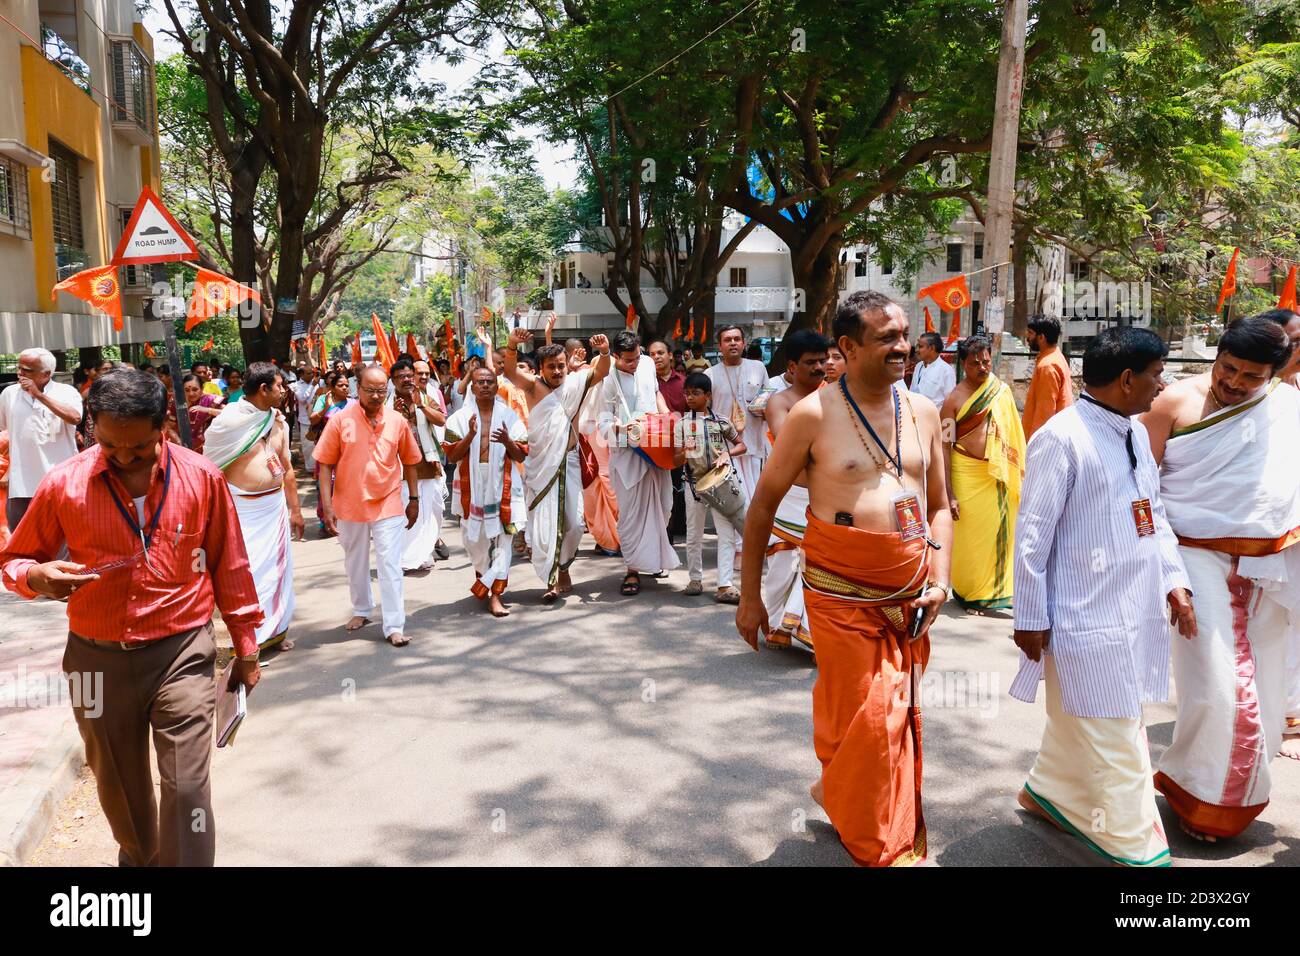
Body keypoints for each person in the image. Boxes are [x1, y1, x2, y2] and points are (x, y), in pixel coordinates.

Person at [0, 369, 263, 866]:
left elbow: (231, 564)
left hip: (181, 652)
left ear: (162, 425)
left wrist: (248, 647)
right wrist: (36, 576)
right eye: (110, 446)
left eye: (137, 449)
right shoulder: (63, 484)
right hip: (95, 661)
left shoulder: (201, 477)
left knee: (186, 791)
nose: (123, 458)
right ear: (91, 428)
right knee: (122, 793)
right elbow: (13, 560)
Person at [735, 290, 951, 867]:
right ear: (849, 348)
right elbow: (761, 508)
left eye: (905, 334)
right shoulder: (812, 414)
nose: (903, 346)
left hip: (910, 593)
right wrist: (751, 598)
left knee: (878, 714)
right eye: (887, 337)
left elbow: (938, 507)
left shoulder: (924, 412)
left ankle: (842, 793)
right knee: (873, 715)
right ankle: (881, 842)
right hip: (839, 592)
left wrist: (941, 576)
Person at [1009, 327, 1193, 868]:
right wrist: (1029, 615)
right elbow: (1032, 535)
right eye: (1158, 374)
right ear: (1129, 379)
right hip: (1080, 615)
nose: (1164, 384)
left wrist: (1173, 581)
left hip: (1131, 606)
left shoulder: (1134, 433)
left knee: (1081, 718)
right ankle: (1139, 849)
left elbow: (1151, 514)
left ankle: (1048, 791)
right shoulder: (1061, 438)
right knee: (1118, 737)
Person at [1140, 315, 1300, 841]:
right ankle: (1210, 803)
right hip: (1193, 558)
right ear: (1218, 355)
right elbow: (1137, 491)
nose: (1234, 382)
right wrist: (1163, 571)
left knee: (1267, 688)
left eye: (1251, 377)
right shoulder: (1173, 404)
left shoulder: (1287, 409)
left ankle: (1205, 794)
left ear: (1273, 377)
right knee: (1221, 689)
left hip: (1268, 566)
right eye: (1227, 368)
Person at [314, 364, 423, 647]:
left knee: (390, 564)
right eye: (370, 390)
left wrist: (413, 500)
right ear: (357, 389)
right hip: (349, 504)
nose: (376, 396)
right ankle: (362, 609)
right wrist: (327, 506)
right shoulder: (340, 420)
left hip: (388, 501)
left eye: (381, 390)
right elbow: (325, 463)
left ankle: (394, 625)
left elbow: (410, 461)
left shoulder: (397, 420)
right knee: (355, 561)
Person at [201, 362, 304, 653]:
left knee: (278, 573)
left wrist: (295, 510)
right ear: (263, 389)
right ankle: (248, 642)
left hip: (274, 508)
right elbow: (211, 469)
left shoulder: (277, 420)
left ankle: (276, 632)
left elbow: (287, 468)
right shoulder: (229, 422)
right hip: (241, 510)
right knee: (249, 573)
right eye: (280, 386)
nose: (284, 391)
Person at [502, 329, 611, 601]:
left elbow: (602, 372)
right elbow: (510, 371)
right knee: (547, 522)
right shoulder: (532, 387)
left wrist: (605, 352)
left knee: (574, 523)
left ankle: (564, 565)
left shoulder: (575, 384)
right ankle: (552, 577)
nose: (558, 370)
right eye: (551, 367)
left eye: (562, 365)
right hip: (541, 464)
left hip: (570, 460)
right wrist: (513, 344)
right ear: (541, 369)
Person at [940, 335, 1026, 612]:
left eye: (986, 361)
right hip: (966, 473)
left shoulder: (1000, 391)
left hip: (996, 473)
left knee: (1000, 531)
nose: (982, 367)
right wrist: (948, 491)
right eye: (975, 362)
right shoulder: (952, 401)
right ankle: (969, 593)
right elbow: (944, 444)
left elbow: (1014, 432)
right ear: (963, 363)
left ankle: (997, 592)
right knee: (970, 537)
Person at [760, 329, 830, 647]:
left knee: (821, 565)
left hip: (826, 498)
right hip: (791, 497)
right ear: (792, 366)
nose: (819, 367)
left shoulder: (837, 398)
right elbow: (791, 448)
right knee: (782, 567)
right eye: (810, 362)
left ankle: (814, 634)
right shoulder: (779, 402)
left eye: (823, 361)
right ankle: (779, 624)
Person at [597, 330, 679, 596]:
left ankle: (653, 560)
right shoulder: (607, 379)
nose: (635, 363)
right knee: (631, 515)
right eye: (629, 360)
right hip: (628, 454)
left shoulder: (645, 364)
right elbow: (602, 422)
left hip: (656, 447)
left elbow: (655, 394)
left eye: (637, 356)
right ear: (617, 357)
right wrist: (622, 429)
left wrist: (667, 417)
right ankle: (632, 569)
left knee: (664, 506)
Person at [443, 365, 529, 616]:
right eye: (480, 382)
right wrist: (470, 436)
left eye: (490, 382)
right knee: (476, 541)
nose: (485, 386)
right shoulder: (459, 418)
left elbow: (520, 455)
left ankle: (495, 595)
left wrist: (506, 441)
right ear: (472, 386)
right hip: (472, 485)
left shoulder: (509, 416)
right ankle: (485, 579)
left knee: (504, 538)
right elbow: (452, 455)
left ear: (496, 386)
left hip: (503, 485)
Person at [1256, 308, 1300, 760]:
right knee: (1271, 622)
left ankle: (1289, 715)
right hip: (1267, 531)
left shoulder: (1295, 392)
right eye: (1295, 341)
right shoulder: (1257, 394)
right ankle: (1280, 722)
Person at [675, 373, 746, 602]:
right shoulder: (681, 425)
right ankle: (695, 579)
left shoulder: (721, 422)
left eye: (696, 393)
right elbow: (675, 462)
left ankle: (725, 585)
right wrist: (683, 452)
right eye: (687, 393)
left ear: (708, 396)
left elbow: (741, 445)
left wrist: (727, 453)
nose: (690, 397)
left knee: (725, 535)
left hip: (720, 485)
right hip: (694, 486)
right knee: (693, 534)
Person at [0, 348, 83, 530]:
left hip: (61, 482)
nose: (20, 373)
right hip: (21, 485)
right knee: (21, 539)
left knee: (63, 535)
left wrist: (39, 396)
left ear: (46, 374)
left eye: (27, 370)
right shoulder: (9, 394)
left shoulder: (66, 392)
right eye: (19, 368)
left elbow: (75, 417)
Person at [389, 357, 447, 573]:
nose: (406, 380)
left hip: (428, 464)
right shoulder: (386, 403)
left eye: (408, 376)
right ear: (393, 381)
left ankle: (423, 553)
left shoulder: (424, 397)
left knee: (434, 511)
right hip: (402, 470)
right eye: (400, 377)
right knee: (408, 513)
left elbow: (441, 420)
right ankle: (407, 558)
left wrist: (421, 405)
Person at [706, 326, 770, 503]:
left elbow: (767, 400)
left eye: (736, 339)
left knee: (754, 500)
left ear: (744, 344)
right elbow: (705, 414)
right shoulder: (710, 374)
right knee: (733, 504)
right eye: (727, 340)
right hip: (726, 451)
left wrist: (763, 410)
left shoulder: (758, 368)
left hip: (754, 446)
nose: (733, 343)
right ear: (719, 346)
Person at [650, 339, 688, 543]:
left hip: (680, 447)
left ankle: (678, 528)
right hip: (654, 448)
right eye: (652, 354)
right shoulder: (645, 384)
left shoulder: (683, 382)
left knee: (678, 490)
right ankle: (664, 537)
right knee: (658, 495)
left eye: (660, 353)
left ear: (670, 355)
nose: (656, 357)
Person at [414, 358, 451, 561]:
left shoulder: (433, 393)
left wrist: (422, 406)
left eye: (427, 373)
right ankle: (422, 546)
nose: (424, 376)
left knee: (436, 503)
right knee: (414, 504)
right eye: (420, 373)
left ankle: (435, 537)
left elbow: (441, 419)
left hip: (433, 455)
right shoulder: (397, 396)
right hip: (407, 462)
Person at [1021, 315, 1075, 439]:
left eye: (1030, 333)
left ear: (1041, 337)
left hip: (1047, 441)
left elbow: (1045, 412)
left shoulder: (1047, 366)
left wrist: (1036, 445)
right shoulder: (1056, 355)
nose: (1027, 337)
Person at [909, 332, 956, 409]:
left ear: (932, 348)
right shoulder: (918, 366)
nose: (917, 350)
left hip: (935, 418)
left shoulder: (946, 370)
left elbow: (950, 402)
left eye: (920, 346)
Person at [182, 374, 223, 455]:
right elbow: (170, 425)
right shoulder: (179, 403)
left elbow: (227, 414)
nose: (191, 393)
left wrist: (206, 409)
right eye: (187, 390)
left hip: (209, 447)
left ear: (202, 388)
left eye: (195, 389)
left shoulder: (211, 399)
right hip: (185, 448)